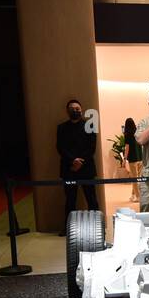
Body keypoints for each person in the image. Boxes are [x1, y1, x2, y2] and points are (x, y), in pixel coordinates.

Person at [57, 98, 97, 232]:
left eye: (77, 109)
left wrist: (80, 162)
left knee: (91, 199)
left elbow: (92, 148)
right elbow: (60, 147)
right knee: (70, 201)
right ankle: (68, 229)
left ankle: (97, 227)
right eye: (72, 109)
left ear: (82, 110)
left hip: (87, 169)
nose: (75, 111)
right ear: (67, 111)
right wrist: (72, 161)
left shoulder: (90, 125)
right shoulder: (61, 128)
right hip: (69, 169)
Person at [122, 116, 141, 202]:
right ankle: (133, 194)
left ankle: (138, 196)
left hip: (133, 159)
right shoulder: (138, 132)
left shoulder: (127, 134)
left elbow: (127, 148)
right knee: (138, 178)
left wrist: (124, 159)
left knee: (134, 178)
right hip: (141, 158)